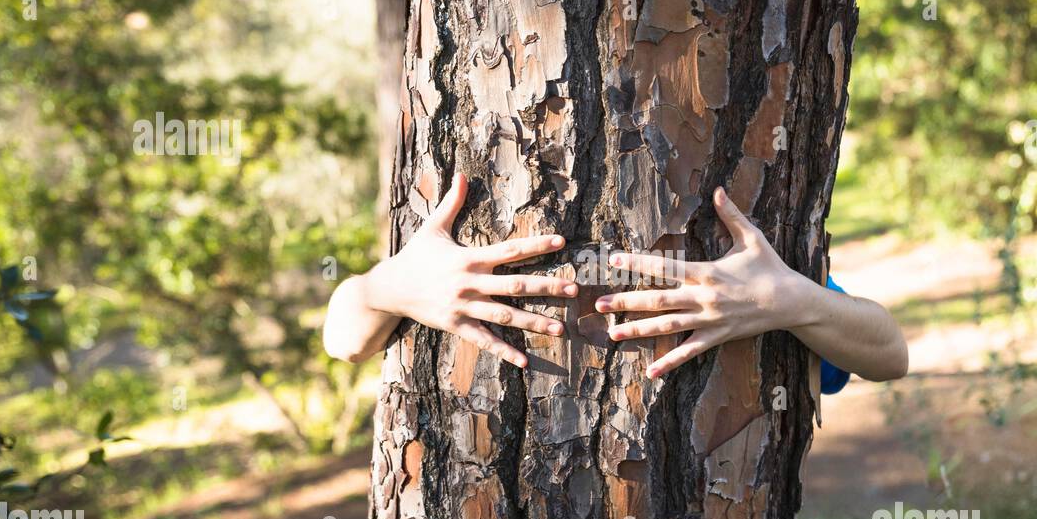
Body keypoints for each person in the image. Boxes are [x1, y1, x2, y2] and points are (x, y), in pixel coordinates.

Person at [323, 171, 908, 385]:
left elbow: (888, 353)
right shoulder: (422, 277)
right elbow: (343, 339)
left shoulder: (761, 288)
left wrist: (790, 300)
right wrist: (387, 288)